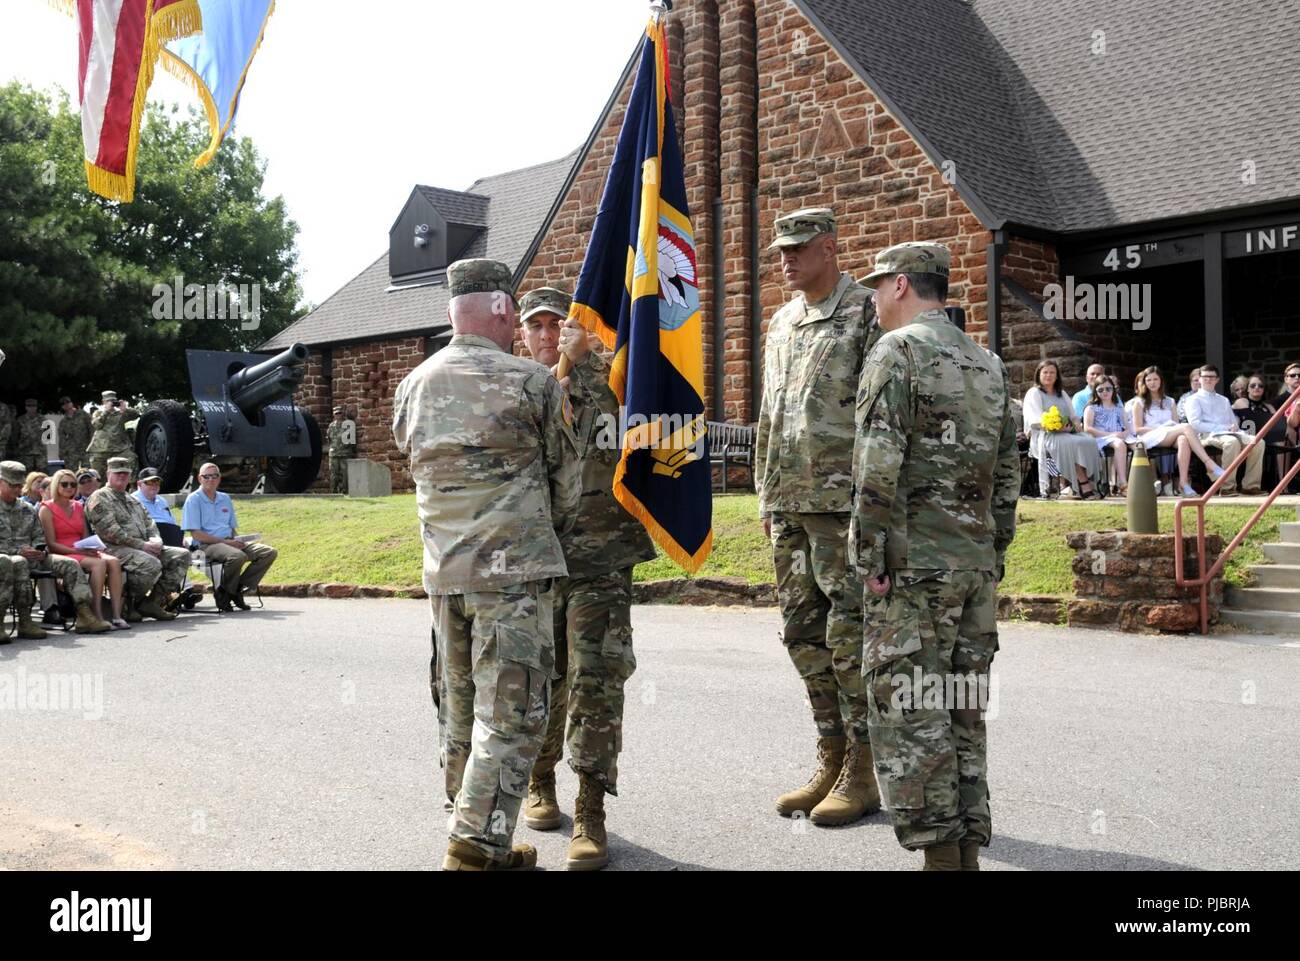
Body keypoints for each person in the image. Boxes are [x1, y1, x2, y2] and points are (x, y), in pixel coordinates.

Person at [391, 258, 581, 872]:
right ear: (503, 308)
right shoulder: (531, 382)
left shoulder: (414, 384)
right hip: (513, 579)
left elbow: (412, 462)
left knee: (459, 707)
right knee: (512, 715)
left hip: (445, 576)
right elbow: (565, 484)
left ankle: (479, 830)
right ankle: (473, 848)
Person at [850, 242, 1019, 871]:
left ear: (900, 286)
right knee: (962, 710)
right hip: (972, 567)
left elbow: (876, 466)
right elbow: (1007, 475)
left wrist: (868, 559)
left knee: (910, 713)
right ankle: (966, 849)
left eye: (875, 287)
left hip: (913, 572)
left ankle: (940, 859)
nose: (870, 300)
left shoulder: (896, 353)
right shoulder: (989, 363)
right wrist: (991, 550)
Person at [515, 285, 657, 871]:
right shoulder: (516, 390)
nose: (550, 337)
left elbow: (635, 430)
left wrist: (594, 361)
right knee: (539, 681)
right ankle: (539, 780)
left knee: (595, 683)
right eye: (538, 327)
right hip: (536, 560)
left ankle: (590, 811)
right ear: (523, 335)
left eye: (559, 326)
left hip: (601, 556)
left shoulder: (609, 382)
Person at [755, 206, 883, 826]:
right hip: (789, 503)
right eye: (781, 248)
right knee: (803, 635)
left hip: (841, 507)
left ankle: (863, 769)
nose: (786, 256)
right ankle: (830, 754)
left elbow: (880, 418)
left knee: (848, 637)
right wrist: (763, 493)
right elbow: (768, 415)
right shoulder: (781, 320)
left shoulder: (865, 313)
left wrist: (873, 505)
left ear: (830, 247)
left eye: (799, 247)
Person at [0, 460, 111, 638]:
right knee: (16, 561)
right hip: (6, 558)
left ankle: (84, 615)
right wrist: (17, 551)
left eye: (19, 485)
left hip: (35, 558)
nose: (16, 489)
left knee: (70, 564)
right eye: (12, 485)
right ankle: (24, 620)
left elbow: (39, 535)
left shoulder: (26, 509)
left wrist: (40, 550)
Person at [87, 458, 188, 621]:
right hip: (112, 548)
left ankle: (151, 603)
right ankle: (128, 603)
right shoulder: (99, 498)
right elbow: (110, 532)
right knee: (150, 564)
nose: (122, 476)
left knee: (181, 555)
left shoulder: (131, 499)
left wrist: (156, 541)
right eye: (118, 473)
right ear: (108, 474)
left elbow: (149, 522)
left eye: (125, 473)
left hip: (141, 547)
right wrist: (143, 546)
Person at [182, 463, 278, 611]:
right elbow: (196, 534)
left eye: (215, 476)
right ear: (199, 478)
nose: (211, 479)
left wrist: (238, 541)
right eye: (206, 476)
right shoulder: (193, 499)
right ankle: (224, 593)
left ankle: (236, 589)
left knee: (268, 552)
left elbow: (232, 528)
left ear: (219, 478)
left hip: (230, 542)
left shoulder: (225, 498)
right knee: (237, 556)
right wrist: (227, 543)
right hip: (205, 545)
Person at [40, 468, 127, 629]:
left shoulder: (78, 506)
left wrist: (94, 548)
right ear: (55, 486)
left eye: (73, 484)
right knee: (99, 564)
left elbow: (86, 536)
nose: (69, 487)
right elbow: (51, 544)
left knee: (114, 561)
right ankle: (96, 615)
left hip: (81, 549)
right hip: (61, 551)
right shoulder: (46, 509)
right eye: (64, 484)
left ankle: (116, 615)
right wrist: (80, 552)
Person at [1130, 366, 1224, 496]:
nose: (1152, 383)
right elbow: (1137, 429)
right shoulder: (1139, 402)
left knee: (1183, 439)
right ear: (1145, 382)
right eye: (1149, 380)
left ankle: (1183, 483)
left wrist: (1168, 429)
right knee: (1186, 427)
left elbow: (1175, 423)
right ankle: (1209, 464)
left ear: (1161, 381)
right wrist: (1161, 428)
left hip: (1169, 434)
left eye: (1155, 379)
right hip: (1150, 436)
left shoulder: (1170, 401)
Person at [1022, 361, 1103, 498]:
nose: (1048, 375)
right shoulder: (1034, 393)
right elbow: (1034, 420)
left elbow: (1073, 416)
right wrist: (1056, 427)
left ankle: (1087, 483)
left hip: (1066, 432)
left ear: (1057, 375)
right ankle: (1083, 485)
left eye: (1052, 372)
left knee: (1089, 441)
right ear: (1039, 374)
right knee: (1072, 444)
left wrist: (1077, 426)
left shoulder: (1062, 393)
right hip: (1045, 435)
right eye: (1045, 372)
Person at [1186, 364, 1265, 496]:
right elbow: (1195, 424)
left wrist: (1234, 427)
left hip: (1227, 433)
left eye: (1212, 377)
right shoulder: (1193, 399)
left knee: (1258, 442)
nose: (1208, 380)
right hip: (1206, 435)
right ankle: (1227, 487)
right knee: (1231, 442)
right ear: (1199, 379)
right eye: (1205, 377)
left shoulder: (1223, 400)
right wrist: (1223, 428)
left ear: (1217, 379)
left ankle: (1250, 486)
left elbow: (1232, 422)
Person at [1235, 373, 1288, 489]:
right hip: (1247, 437)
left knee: (1281, 441)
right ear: (1247, 389)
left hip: (1267, 438)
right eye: (1253, 385)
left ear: (1264, 389)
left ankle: (1283, 483)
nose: (1257, 388)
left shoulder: (1268, 406)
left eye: (1260, 386)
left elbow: (1278, 423)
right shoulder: (1242, 402)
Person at [1083, 376, 1130, 496]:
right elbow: (1088, 428)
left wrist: (1123, 433)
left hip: (1118, 436)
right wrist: (1110, 435)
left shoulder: (1119, 407)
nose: (1105, 392)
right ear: (1095, 391)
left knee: (1140, 446)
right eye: (1101, 390)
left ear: (1113, 390)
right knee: (1119, 444)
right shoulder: (1092, 408)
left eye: (1108, 389)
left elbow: (1127, 427)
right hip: (1100, 438)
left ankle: (1142, 482)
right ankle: (1123, 484)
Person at [87, 391, 138, 479]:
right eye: (108, 401)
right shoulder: (98, 413)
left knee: (132, 458)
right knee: (98, 477)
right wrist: (106, 412)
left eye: (113, 401)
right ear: (103, 402)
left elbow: (136, 415)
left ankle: (132, 487)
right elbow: (96, 425)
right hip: (100, 451)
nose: (111, 403)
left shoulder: (122, 414)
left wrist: (125, 409)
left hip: (120, 449)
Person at [133, 468, 184, 547]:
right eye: (150, 482)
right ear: (139, 484)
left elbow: (172, 522)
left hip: (171, 539)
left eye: (157, 481)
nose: (154, 485)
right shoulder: (133, 501)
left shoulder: (162, 501)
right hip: (150, 542)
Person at [58, 396, 93, 472]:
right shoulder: (63, 422)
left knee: (87, 472)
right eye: (63, 404)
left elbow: (92, 429)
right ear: (62, 407)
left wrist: (92, 445)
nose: (66, 404)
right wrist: (62, 454)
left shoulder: (83, 414)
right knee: (72, 473)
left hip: (85, 449)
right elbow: (62, 439)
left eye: (68, 402)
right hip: (72, 453)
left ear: (72, 403)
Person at [327, 406, 357, 494]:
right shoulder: (331, 426)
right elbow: (329, 439)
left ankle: (345, 492)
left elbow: (352, 441)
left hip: (345, 453)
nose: (338, 415)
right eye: (336, 414)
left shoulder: (348, 425)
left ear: (342, 414)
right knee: (334, 474)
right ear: (334, 415)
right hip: (334, 454)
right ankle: (334, 492)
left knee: (345, 474)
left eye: (340, 413)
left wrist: (351, 451)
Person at [15, 400, 47, 473]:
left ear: (36, 407)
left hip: (40, 452)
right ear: (26, 407)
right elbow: (16, 436)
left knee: (42, 474)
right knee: (27, 474)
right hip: (26, 453)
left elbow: (47, 436)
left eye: (33, 406)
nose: (31, 408)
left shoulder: (42, 419)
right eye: (29, 406)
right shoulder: (20, 420)